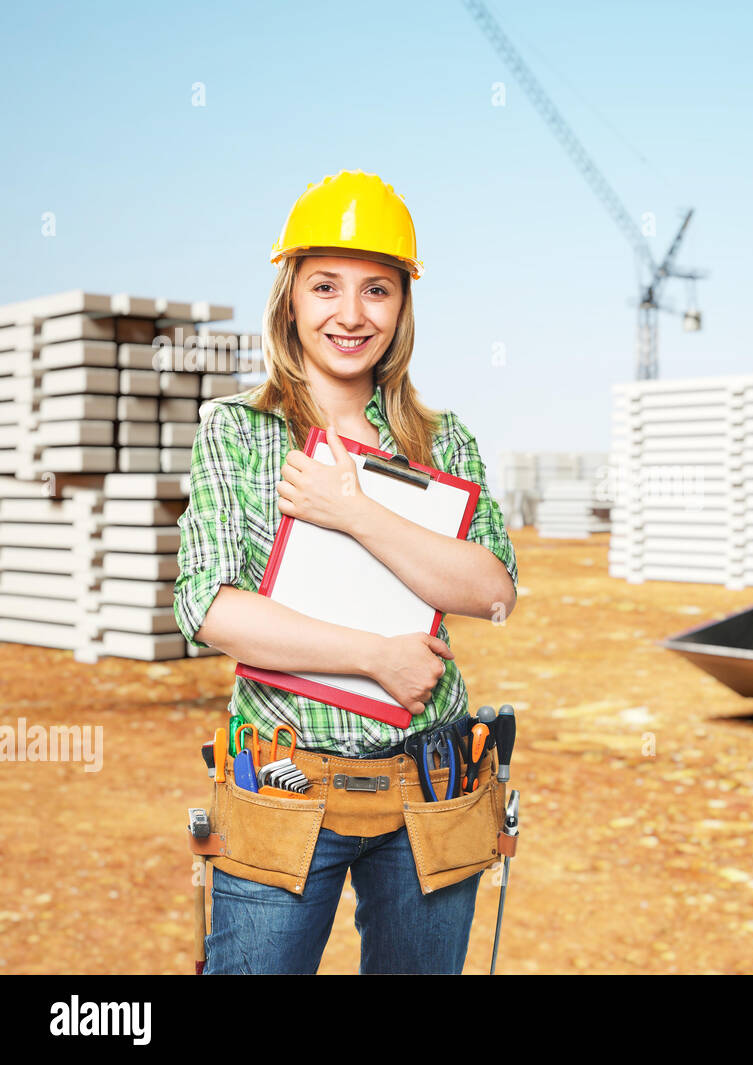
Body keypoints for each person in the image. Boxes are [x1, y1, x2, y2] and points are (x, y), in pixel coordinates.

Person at [173, 170, 518, 974]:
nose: (351, 314)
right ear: (290, 295)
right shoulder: (239, 431)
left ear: (403, 306)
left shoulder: (443, 441)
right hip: (284, 782)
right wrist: (374, 655)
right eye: (325, 286)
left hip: (430, 784)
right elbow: (211, 608)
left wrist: (352, 507)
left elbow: (492, 590)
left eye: (378, 290)